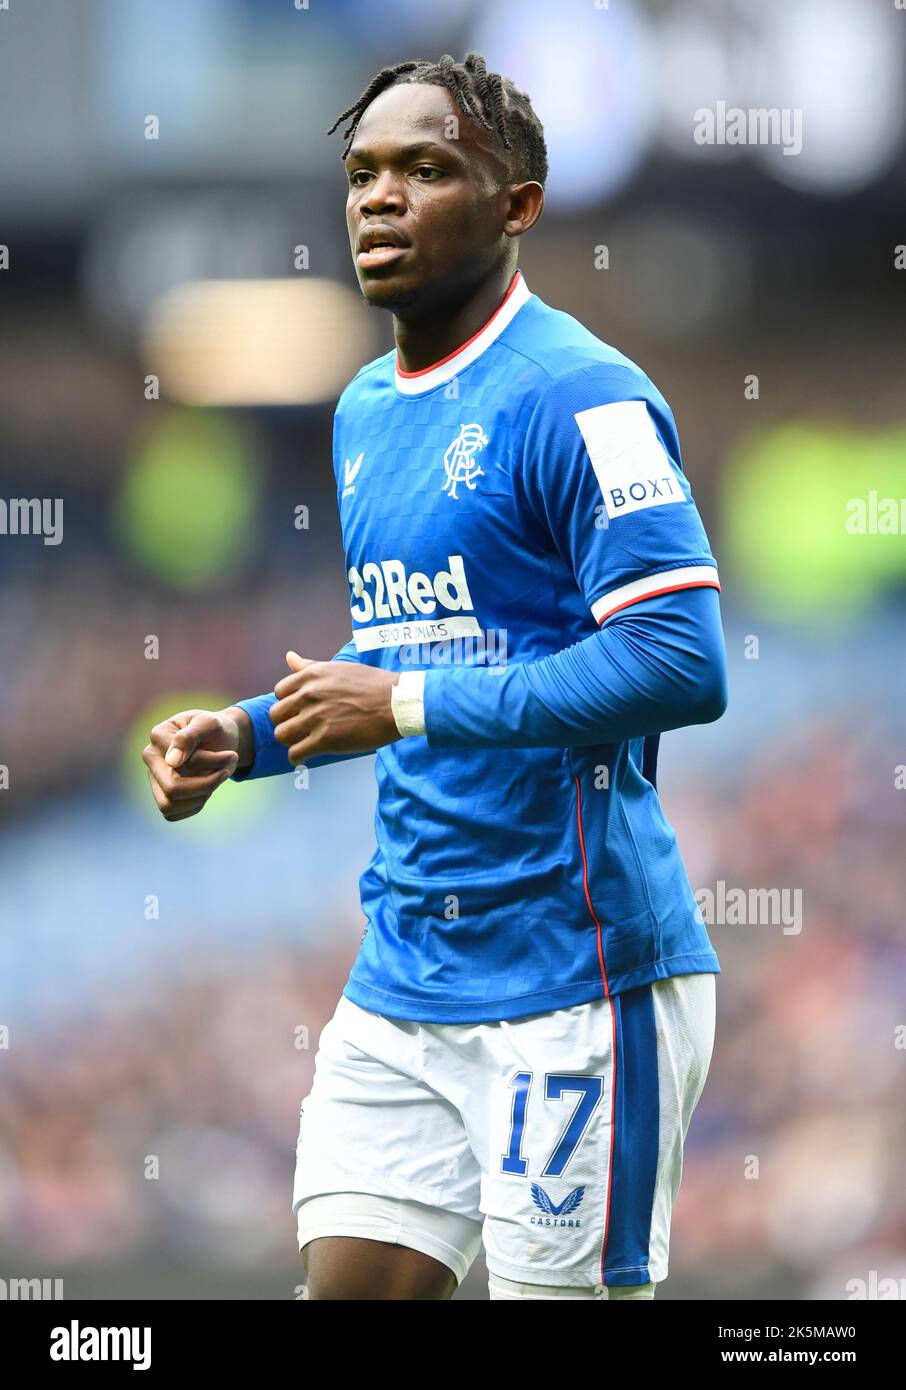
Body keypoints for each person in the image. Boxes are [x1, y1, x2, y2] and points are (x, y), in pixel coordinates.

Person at [142, 53, 728, 1301]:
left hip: (576, 981)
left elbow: (681, 660)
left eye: (425, 168)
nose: (379, 198)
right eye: (362, 173)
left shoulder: (584, 395)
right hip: (405, 973)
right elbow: (412, 652)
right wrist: (247, 736)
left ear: (516, 205)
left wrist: (400, 705)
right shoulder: (365, 408)